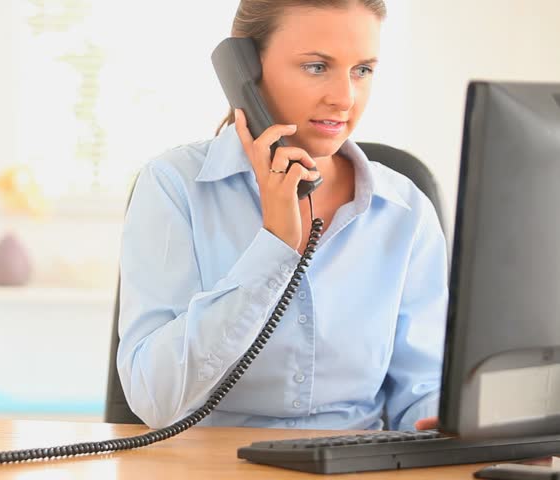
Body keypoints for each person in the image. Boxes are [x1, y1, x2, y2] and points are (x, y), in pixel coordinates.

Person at [116, 0, 446, 432]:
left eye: (362, 70)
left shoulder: (405, 210)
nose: (344, 97)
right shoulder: (174, 185)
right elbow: (153, 399)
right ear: (244, 70)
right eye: (316, 67)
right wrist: (273, 246)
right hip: (209, 466)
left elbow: (422, 392)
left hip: (356, 465)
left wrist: (467, 426)